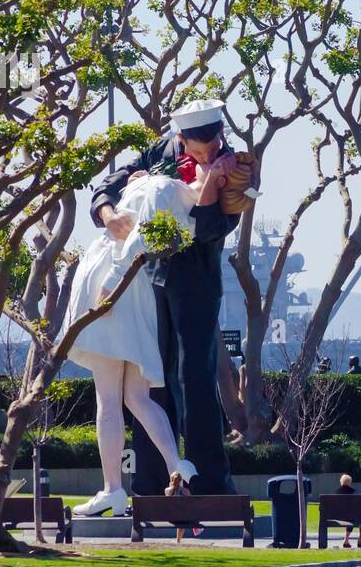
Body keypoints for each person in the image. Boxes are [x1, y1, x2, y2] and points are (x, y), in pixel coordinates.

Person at [89, 99, 248, 499]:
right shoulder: (158, 151)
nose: (208, 156)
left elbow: (215, 228)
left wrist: (211, 183)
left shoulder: (234, 167)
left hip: (197, 280)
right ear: (180, 139)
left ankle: (210, 481)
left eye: (213, 148)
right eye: (198, 152)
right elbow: (107, 185)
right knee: (152, 379)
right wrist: (110, 214)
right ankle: (153, 480)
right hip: (150, 281)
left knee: (196, 378)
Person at [67, 156, 210, 515]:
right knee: (137, 397)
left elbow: (134, 242)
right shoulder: (175, 196)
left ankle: (113, 488)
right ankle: (177, 463)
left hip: (117, 290)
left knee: (110, 398)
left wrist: (110, 286)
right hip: (133, 291)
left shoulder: (158, 189)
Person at [336, 473, 361, 548]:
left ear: (341, 482)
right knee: (354, 517)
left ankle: (346, 540)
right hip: (350, 516)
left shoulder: (336, 492)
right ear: (350, 482)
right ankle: (349, 540)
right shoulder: (354, 492)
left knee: (350, 516)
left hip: (338, 516)